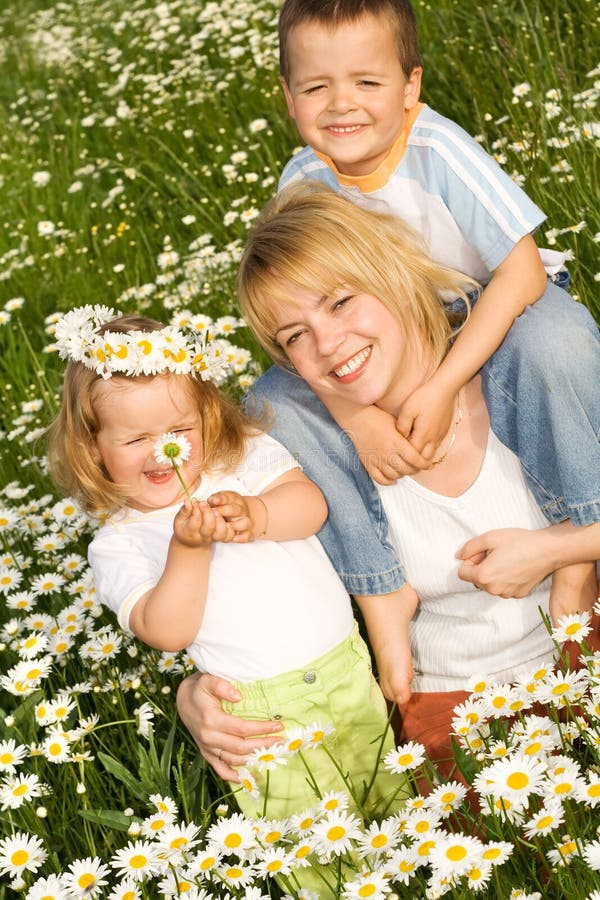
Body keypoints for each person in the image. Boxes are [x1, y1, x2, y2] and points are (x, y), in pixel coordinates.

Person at [176, 184, 600, 785]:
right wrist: (192, 691)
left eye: (341, 302)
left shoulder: (534, 367)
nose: (327, 345)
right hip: (445, 700)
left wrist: (562, 549)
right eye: (294, 336)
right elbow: (239, 593)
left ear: (394, 275)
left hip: (587, 645)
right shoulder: (307, 449)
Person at [255, 0, 600, 619]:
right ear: (287, 96)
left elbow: (519, 273)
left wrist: (445, 383)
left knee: (554, 344)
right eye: (315, 86)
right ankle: (379, 583)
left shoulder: (438, 150)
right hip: (383, 330)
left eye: (367, 81)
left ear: (410, 85)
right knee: (274, 399)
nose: (341, 104)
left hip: (497, 304)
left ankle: (579, 541)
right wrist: (357, 421)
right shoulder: (302, 178)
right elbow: (295, 308)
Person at [46, 307, 410, 889]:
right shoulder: (118, 543)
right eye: (137, 438)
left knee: (394, 810)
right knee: (316, 853)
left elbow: (310, 506)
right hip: (260, 716)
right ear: (94, 449)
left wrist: (258, 513)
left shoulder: (242, 458)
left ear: (205, 414)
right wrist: (186, 550)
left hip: (346, 669)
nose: (165, 451)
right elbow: (165, 630)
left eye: (179, 430)